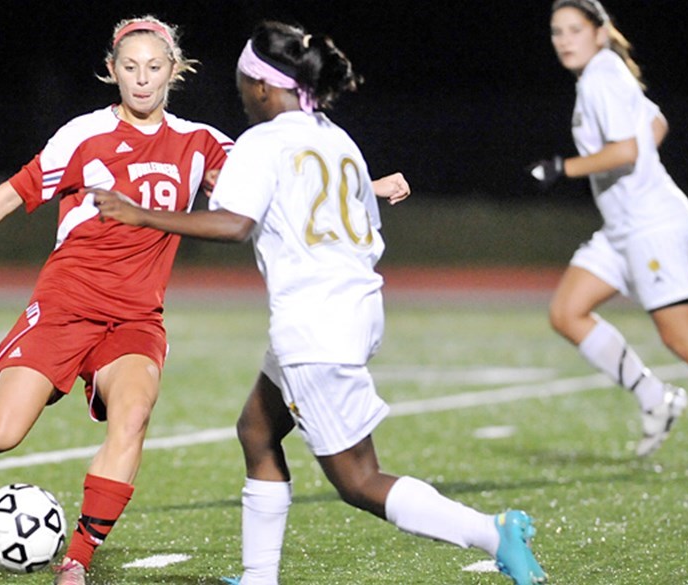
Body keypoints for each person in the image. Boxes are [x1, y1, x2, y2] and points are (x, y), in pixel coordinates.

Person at [94, 20, 547, 585]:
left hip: (315, 325)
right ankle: (259, 577)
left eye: (242, 82)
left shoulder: (264, 141)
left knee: (358, 479)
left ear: (264, 86)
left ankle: (492, 532)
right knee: (257, 431)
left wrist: (140, 214)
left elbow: (235, 224)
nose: (240, 93)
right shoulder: (336, 138)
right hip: (352, 306)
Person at [0, 16, 235, 585]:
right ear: (112, 70)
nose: (142, 79)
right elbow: (9, 195)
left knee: (133, 415)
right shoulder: (83, 135)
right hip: (66, 306)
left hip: (135, 319)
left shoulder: (202, 143)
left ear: (174, 70)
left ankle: (78, 560)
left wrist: (352, 189)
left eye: (154, 67)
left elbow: (271, 184)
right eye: (130, 67)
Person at [526, 0, 688, 479]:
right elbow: (656, 124)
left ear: (599, 32)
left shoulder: (600, 77)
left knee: (681, 337)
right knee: (567, 312)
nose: (564, 40)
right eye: (557, 32)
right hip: (622, 228)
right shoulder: (606, 72)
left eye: (574, 30)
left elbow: (626, 150)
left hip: (652, 226)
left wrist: (563, 167)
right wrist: (636, 161)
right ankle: (656, 398)